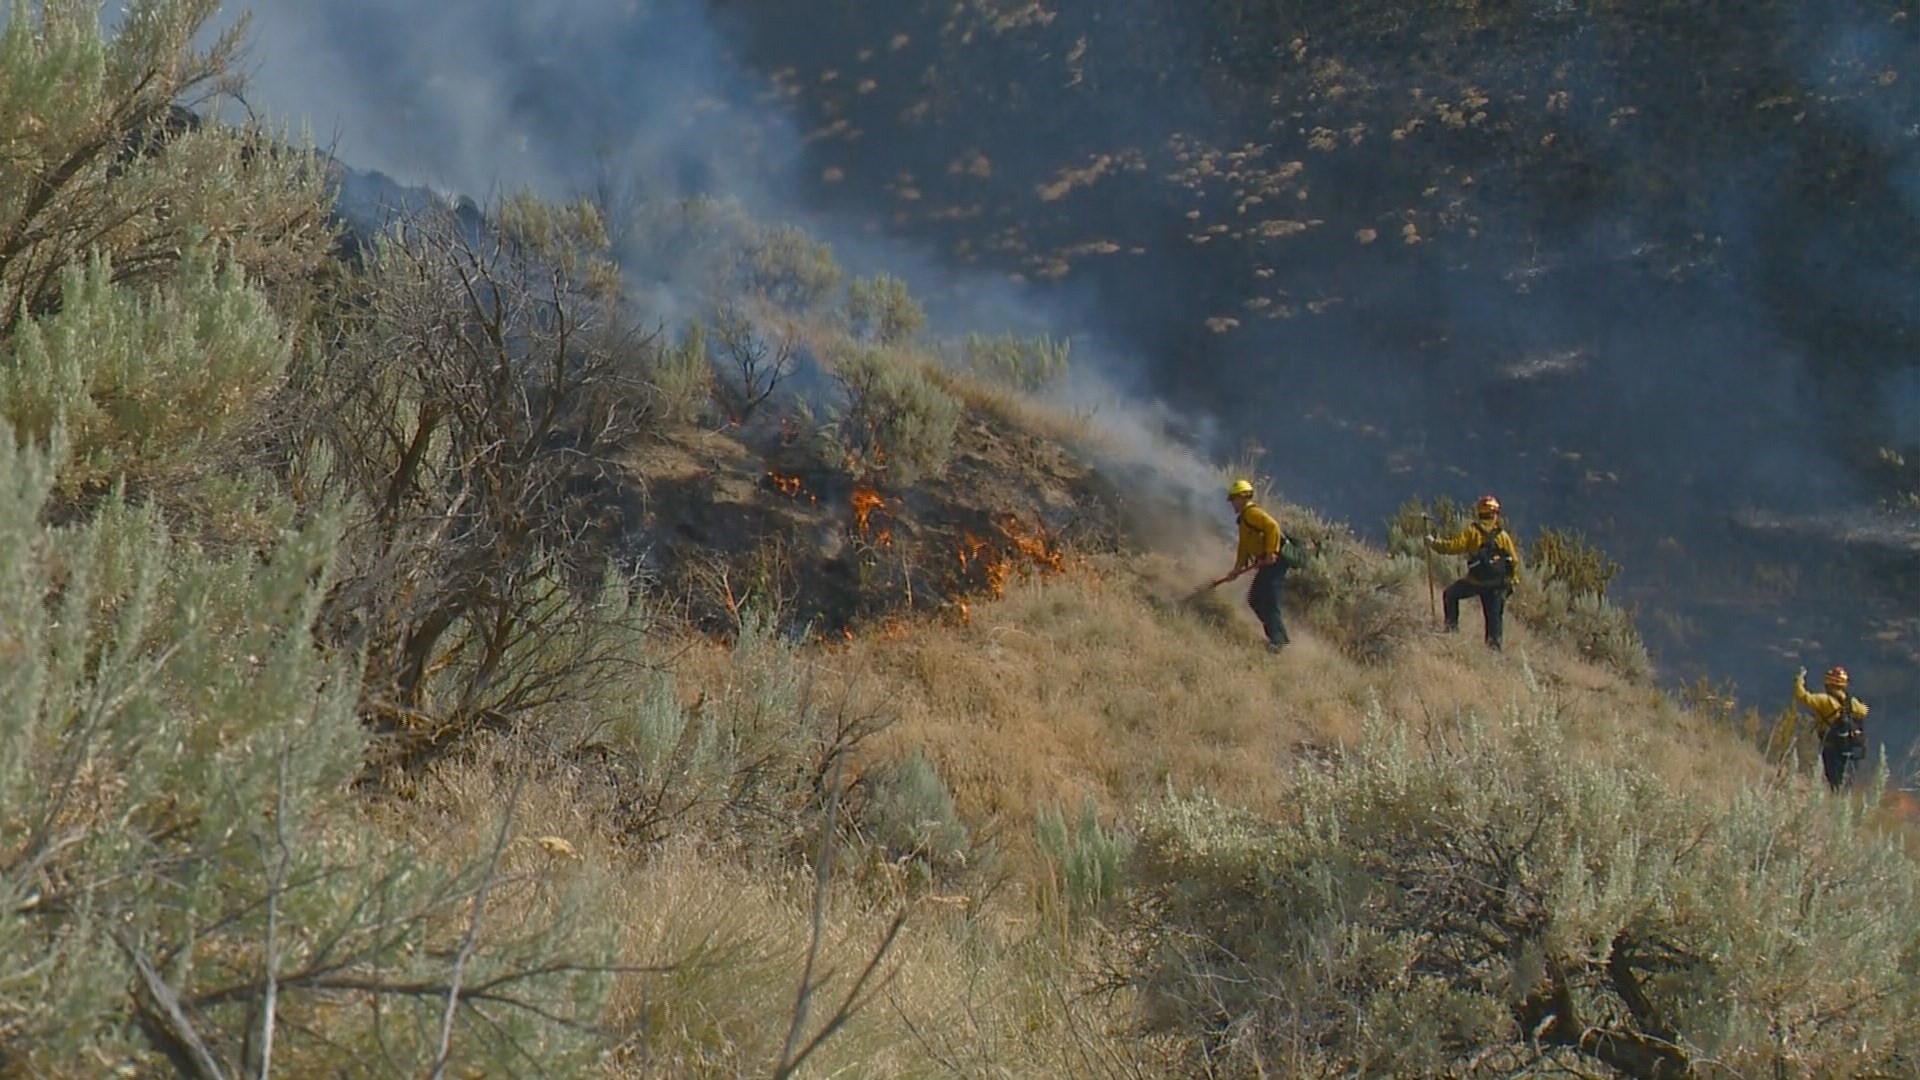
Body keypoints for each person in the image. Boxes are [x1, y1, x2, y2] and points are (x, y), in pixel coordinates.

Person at [1426, 494, 1521, 650]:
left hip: (1476, 581)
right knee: (1494, 619)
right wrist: (1512, 581)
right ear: (1495, 514)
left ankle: (1451, 630)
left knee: (1451, 594)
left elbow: (1453, 546)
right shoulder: (1503, 536)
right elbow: (1514, 560)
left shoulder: (1472, 532)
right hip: (1497, 584)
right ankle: (1494, 655)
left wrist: (1434, 544)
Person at [1223, 478, 1289, 652]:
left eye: (1234, 499)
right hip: (1266, 562)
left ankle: (1278, 641)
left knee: (1269, 599)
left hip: (1275, 561)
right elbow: (1244, 547)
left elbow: (1273, 527)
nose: (1232, 504)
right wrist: (1236, 569)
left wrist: (1271, 553)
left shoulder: (1252, 513)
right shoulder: (1244, 519)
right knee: (1255, 599)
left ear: (1243, 497)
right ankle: (1278, 637)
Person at [1793, 665, 1869, 791]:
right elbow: (1864, 711)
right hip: (1848, 748)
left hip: (1831, 746)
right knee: (1847, 781)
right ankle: (1845, 801)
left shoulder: (1824, 700)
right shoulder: (1852, 702)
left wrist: (1799, 679)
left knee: (1834, 779)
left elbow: (1802, 696)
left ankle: (1837, 801)